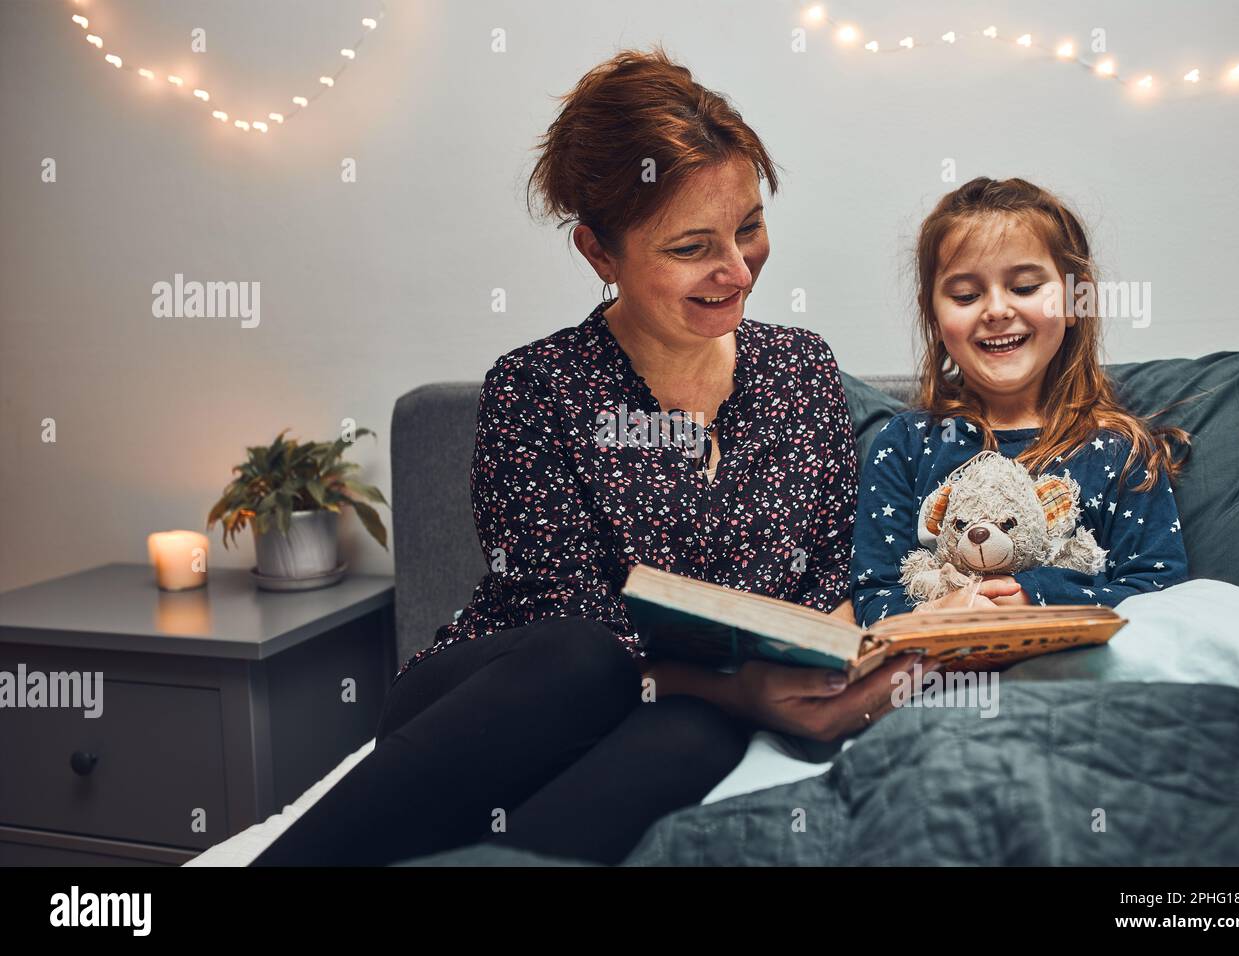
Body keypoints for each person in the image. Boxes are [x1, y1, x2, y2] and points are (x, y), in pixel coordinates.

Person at [251, 46, 927, 868]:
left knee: (696, 733)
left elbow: (828, 577)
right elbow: (577, 623)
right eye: (691, 247)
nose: (738, 269)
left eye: (749, 227)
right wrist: (744, 684)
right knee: (590, 656)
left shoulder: (801, 369)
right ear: (599, 255)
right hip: (508, 697)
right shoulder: (535, 390)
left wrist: (838, 669)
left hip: (676, 710)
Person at [850, 176, 1190, 625]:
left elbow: (1160, 589)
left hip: (1080, 680)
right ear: (932, 314)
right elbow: (873, 597)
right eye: (966, 295)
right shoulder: (906, 445)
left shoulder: (1119, 450)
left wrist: (1033, 596)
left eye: (1025, 288)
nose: (995, 311)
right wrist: (944, 610)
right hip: (947, 680)